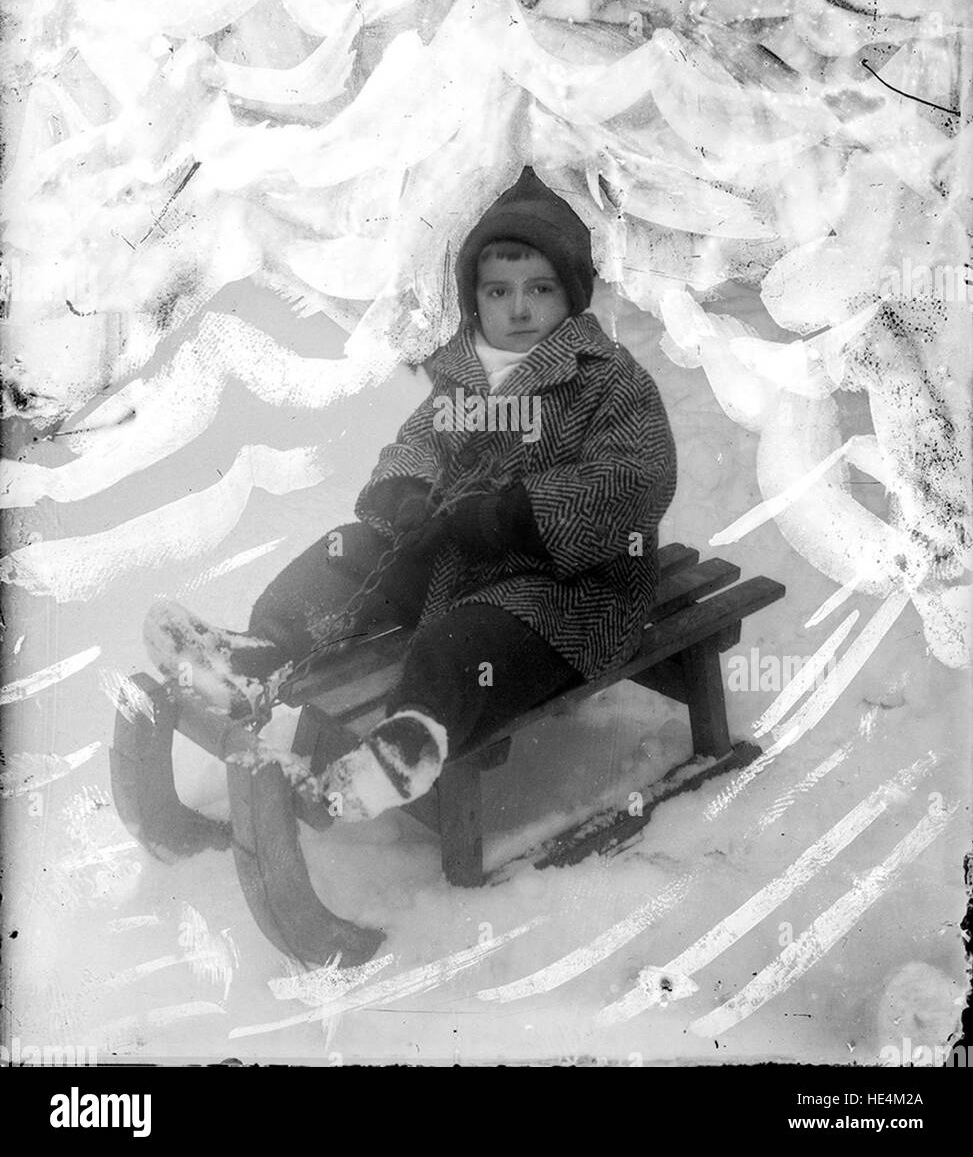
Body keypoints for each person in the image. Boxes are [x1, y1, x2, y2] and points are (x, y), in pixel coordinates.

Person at [143, 167, 677, 824]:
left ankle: (410, 741)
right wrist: (407, 494)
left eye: (538, 289)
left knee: (462, 642)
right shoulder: (466, 377)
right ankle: (254, 656)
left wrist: (516, 516)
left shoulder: (607, 379)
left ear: (570, 298)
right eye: (498, 291)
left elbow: (634, 478)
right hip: (458, 554)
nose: (517, 309)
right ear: (473, 300)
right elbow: (419, 441)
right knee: (351, 552)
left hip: (571, 585)